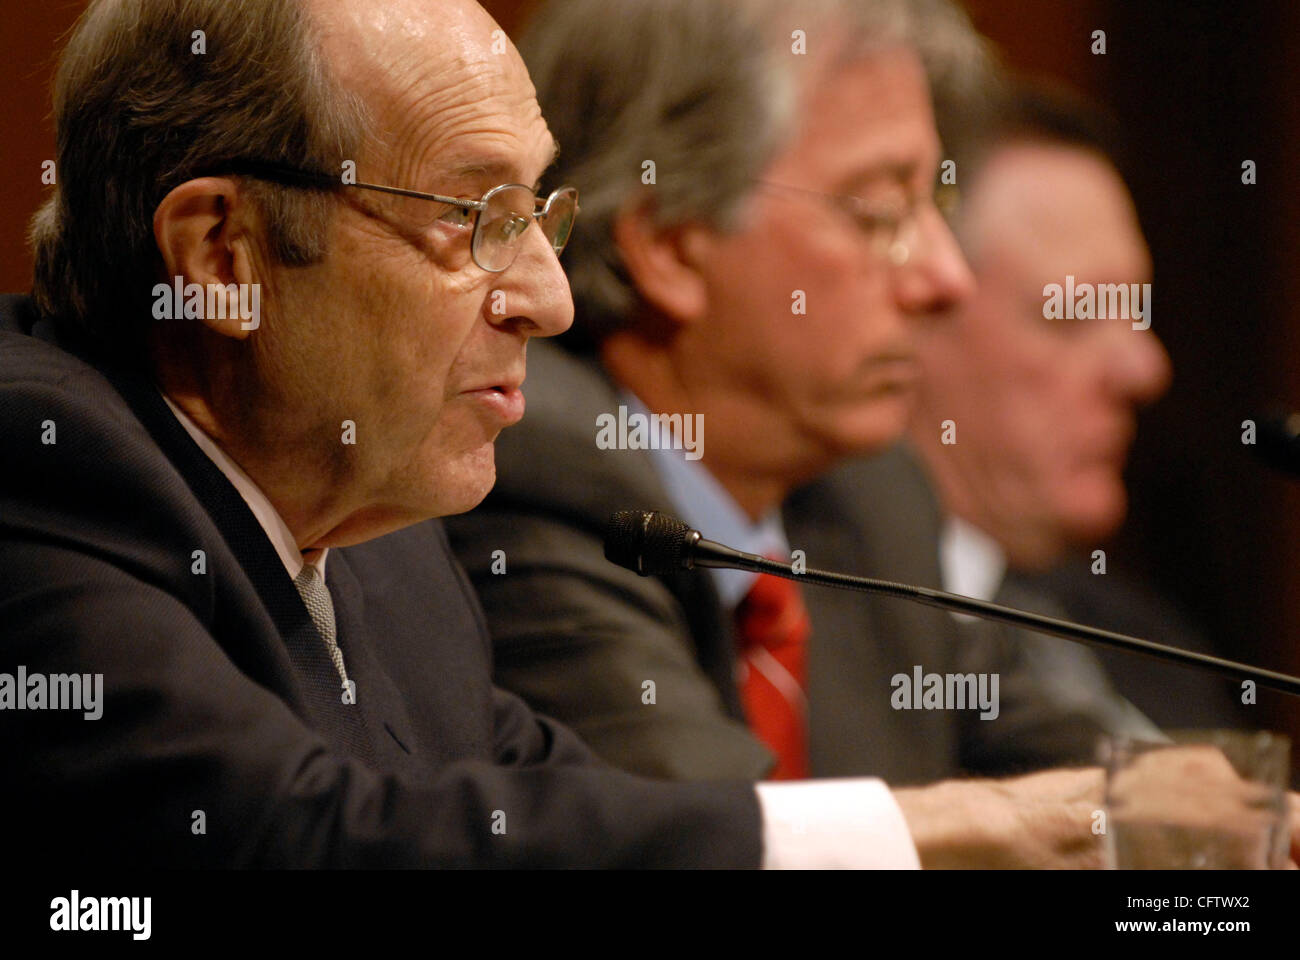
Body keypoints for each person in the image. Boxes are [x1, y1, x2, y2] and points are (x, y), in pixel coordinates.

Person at [0, 0, 1119, 870]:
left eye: (538, 215)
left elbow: (588, 821)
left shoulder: (384, 542)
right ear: (219, 256)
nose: (548, 296)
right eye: (474, 217)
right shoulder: (42, 466)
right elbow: (301, 839)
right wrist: (977, 834)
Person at [445, 0, 1155, 787]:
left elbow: (1077, 772)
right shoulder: (538, 471)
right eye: (880, 211)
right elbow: (719, 835)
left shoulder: (870, 499)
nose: (947, 277)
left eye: (938, 206)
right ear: (674, 244)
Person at [907, 85, 1242, 730]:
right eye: (1076, 315)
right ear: (917, 310)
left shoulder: (1155, 655)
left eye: (1137, 308)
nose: (1145, 370)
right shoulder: (807, 638)